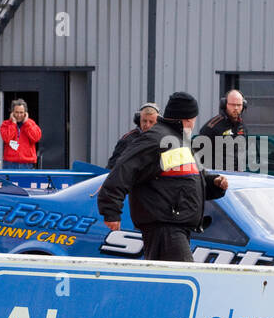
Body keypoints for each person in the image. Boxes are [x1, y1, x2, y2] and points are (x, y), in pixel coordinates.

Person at [98, 91, 229, 262]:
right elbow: (123, 170)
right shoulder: (156, 139)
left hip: (177, 226)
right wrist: (111, 211)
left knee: (171, 284)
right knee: (182, 280)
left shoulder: (179, 142)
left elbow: (190, 178)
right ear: (188, 118)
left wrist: (214, 183)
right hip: (164, 227)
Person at [198, 89, 248, 170]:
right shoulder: (212, 127)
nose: (236, 108)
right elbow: (198, 157)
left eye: (239, 105)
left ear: (243, 106)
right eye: (232, 104)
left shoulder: (242, 127)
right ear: (224, 104)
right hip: (218, 176)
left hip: (238, 176)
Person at [107, 102, 159, 168]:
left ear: (157, 122)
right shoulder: (127, 140)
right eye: (144, 121)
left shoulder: (162, 140)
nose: (147, 125)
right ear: (138, 120)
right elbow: (112, 167)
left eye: (151, 122)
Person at [0, 99, 41, 169]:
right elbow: (7, 139)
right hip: (10, 163)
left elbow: (36, 138)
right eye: (16, 112)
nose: (19, 115)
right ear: (12, 113)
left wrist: (26, 123)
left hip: (27, 163)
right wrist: (13, 123)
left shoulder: (31, 123)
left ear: (25, 113)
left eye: (21, 112)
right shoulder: (6, 124)